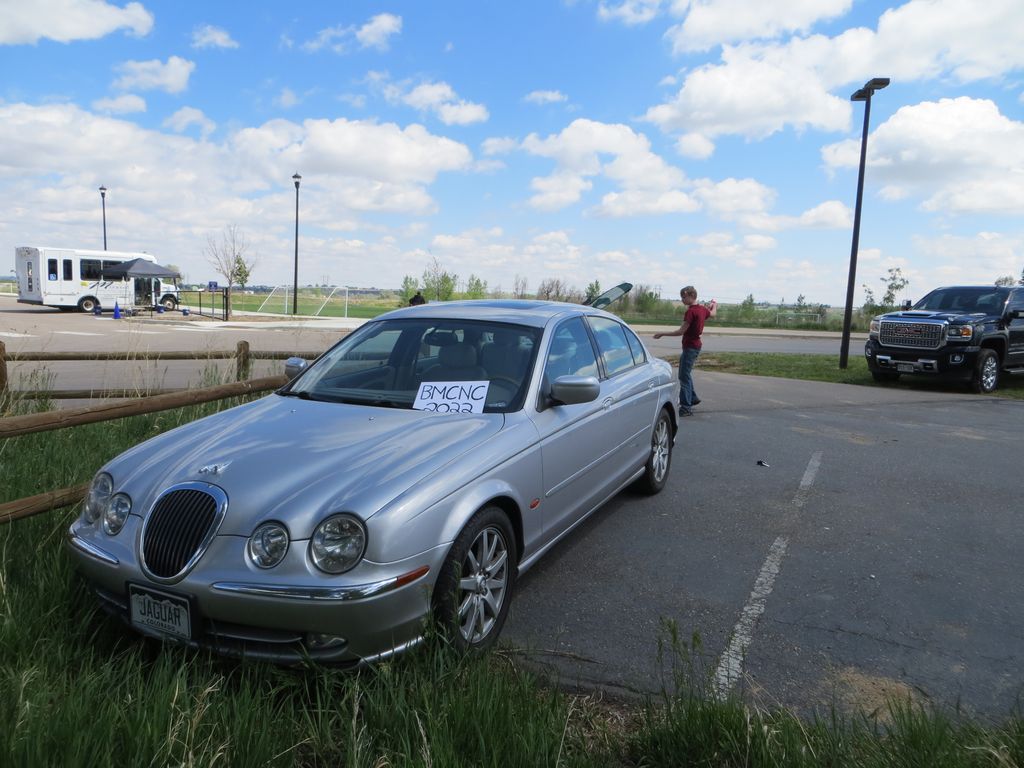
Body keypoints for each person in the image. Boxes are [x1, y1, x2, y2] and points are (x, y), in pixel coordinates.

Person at [653, 286, 716, 417]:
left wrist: (662, 334)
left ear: (690, 296)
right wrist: (714, 305)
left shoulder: (691, 312)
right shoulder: (703, 309)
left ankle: (686, 407)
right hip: (695, 346)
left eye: (683, 297)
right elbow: (713, 313)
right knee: (685, 374)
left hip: (690, 347)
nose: (682, 299)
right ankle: (692, 398)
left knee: (683, 376)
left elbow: (681, 331)